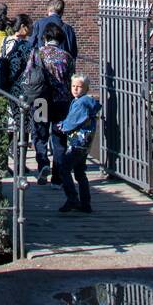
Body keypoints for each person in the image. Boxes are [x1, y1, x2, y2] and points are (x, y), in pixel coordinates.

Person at [23, 22, 73, 184]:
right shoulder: (67, 56)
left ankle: (43, 163)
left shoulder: (37, 53)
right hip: (62, 102)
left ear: (45, 37)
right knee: (59, 139)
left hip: (40, 100)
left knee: (39, 134)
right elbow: (71, 78)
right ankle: (57, 178)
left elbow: (28, 75)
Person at [56, 75, 101, 213]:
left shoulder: (81, 103)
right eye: (73, 86)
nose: (75, 89)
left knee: (63, 168)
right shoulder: (86, 102)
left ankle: (72, 198)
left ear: (86, 88)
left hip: (77, 142)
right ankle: (86, 204)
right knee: (80, 172)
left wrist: (62, 126)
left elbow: (73, 121)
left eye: (79, 86)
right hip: (85, 144)